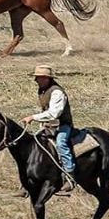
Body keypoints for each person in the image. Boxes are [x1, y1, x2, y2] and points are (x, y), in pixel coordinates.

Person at [22, 64, 76, 193]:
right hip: (48, 126)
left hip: (62, 125)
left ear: (47, 78)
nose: (36, 80)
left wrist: (33, 117)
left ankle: (70, 176)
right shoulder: (43, 90)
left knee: (61, 143)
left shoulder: (57, 92)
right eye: (36, 77)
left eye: (39, 77)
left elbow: (54, 113)